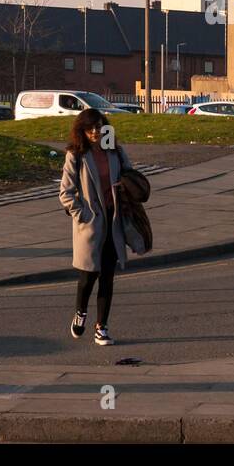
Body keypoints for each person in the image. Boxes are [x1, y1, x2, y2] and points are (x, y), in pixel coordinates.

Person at [57, 108, 143, 346]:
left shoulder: (114, 150)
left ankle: (101, 327)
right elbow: (65, 193)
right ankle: (80, 312)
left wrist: (125, 186)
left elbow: (131, 176)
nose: (95, 132)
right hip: (91, 225)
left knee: (107, 276)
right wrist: (82, 215)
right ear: (82, 131)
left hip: (114, 221)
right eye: (90, 128)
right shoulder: (76, 154)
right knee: (88, 276)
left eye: (99, 126)